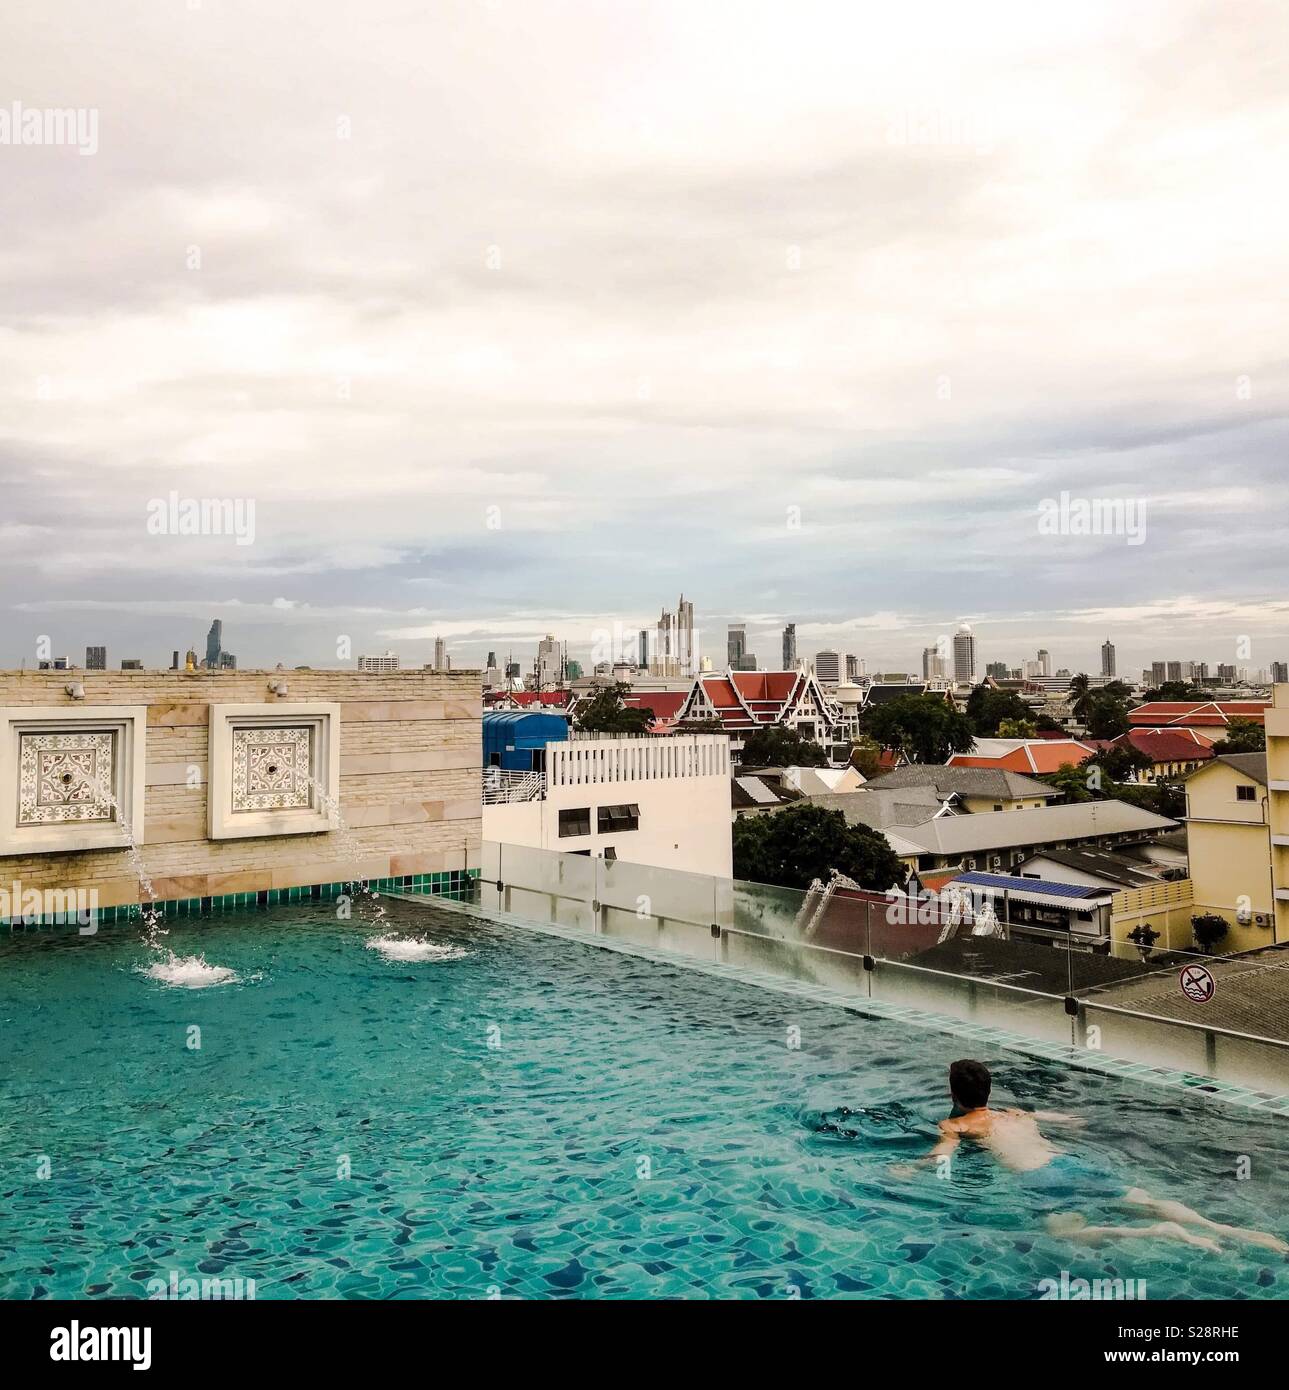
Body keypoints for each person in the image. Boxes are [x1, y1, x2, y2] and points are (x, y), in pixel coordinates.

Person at [893, 1059, 1286, 1253]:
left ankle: (1156, 1234)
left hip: (1038, 1177)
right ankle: (1227, 1229)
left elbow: (942, 1156)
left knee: (1065, 1234)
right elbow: (1062, 1119)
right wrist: (1070, 1120)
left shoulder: (958, 1125)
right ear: (989, 1090)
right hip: (1072, 1162)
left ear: (952, 1094)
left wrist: (910, 1170)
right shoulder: (1014, 1113)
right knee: (1147, 1201)